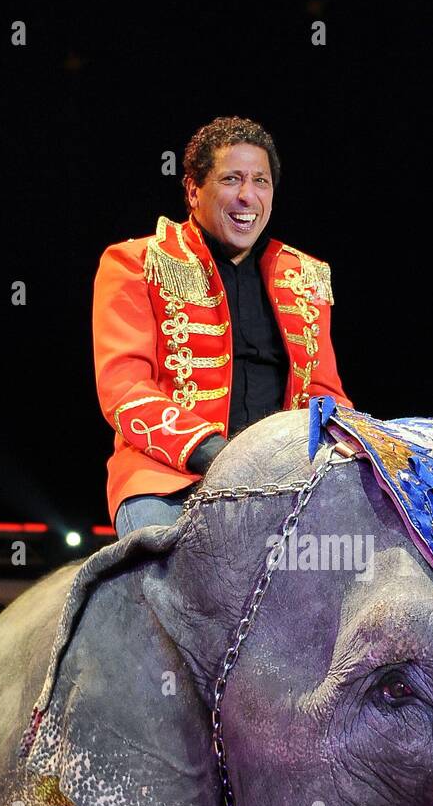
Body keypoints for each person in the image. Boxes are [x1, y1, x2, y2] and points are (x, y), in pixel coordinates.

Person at [92, 115, 354, 538]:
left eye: (261, 182)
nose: (248, 196)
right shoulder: (137, 262)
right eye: (232, 179)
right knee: (169, 589)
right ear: (194, 191)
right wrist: (219, 455)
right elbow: (124, 390)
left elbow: (324, 394)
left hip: (285, 484)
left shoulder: (304, 277)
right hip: (169, 481)